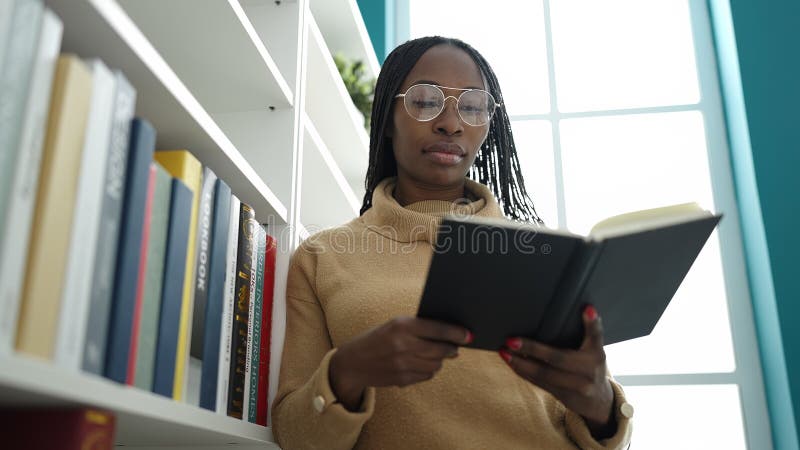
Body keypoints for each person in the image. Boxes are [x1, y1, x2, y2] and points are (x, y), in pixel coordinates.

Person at [271, 36, 633, 449]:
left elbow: (604, 431)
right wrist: (347, 372)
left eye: (473, 107)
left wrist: (601, 405)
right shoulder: (321, 259)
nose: (451, 122)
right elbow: (292, 435)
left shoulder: (547, 254)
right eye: (425, 101)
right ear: (387, 118)